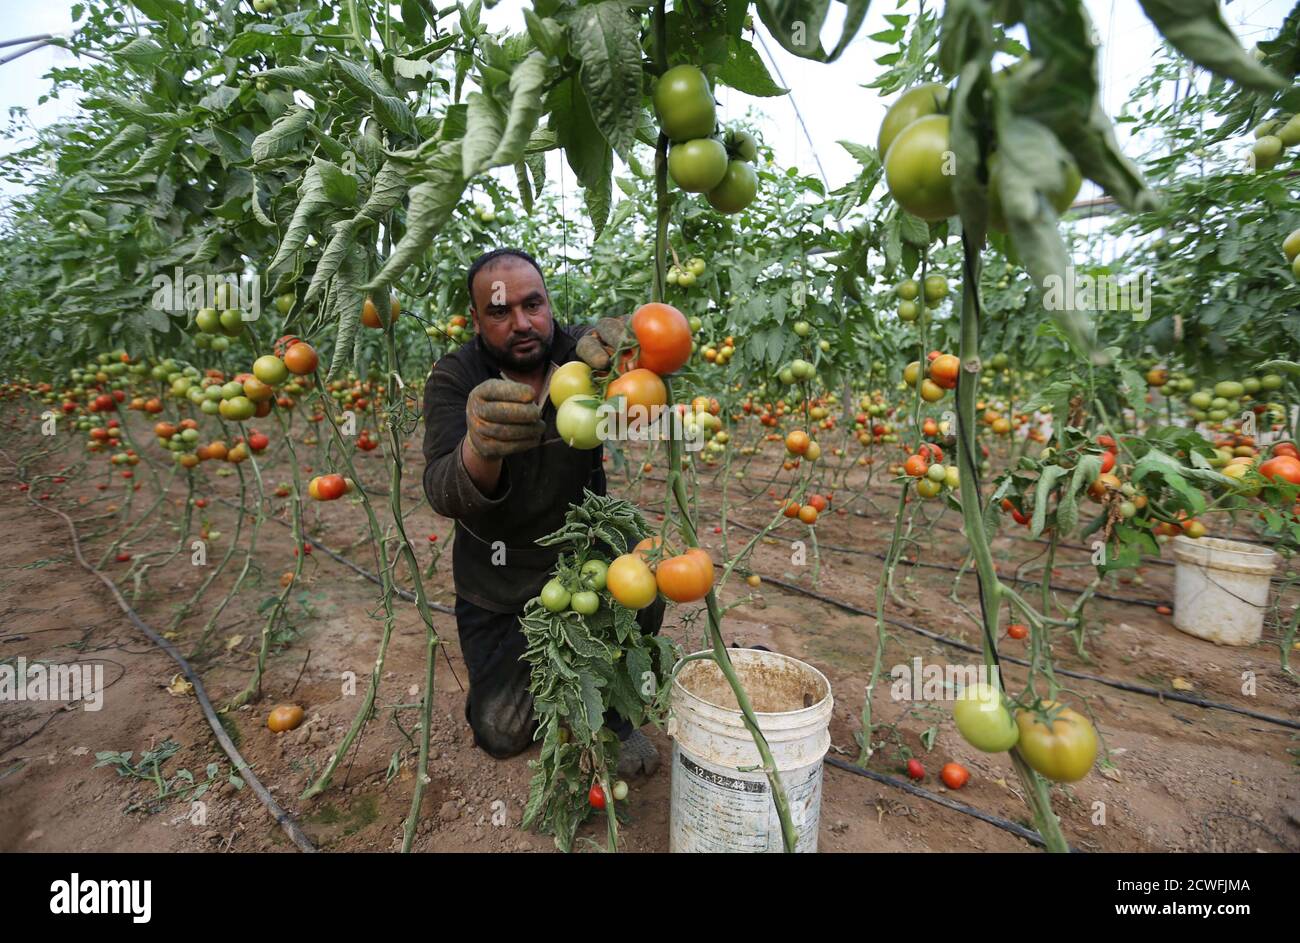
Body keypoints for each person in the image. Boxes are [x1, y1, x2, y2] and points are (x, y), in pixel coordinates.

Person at [421, 247, 664, 777]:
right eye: (500, 312)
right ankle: (562, 677)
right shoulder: (454, 377)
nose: (522, 323)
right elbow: (442, 488)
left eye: (534, 305)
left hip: (584, 565)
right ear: (477, 321)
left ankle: (614, 714)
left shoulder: (581, 357)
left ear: (549, 304)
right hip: (497, 586)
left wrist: (632, 355)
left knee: (644, 581)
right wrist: (478, 447)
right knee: (500, 730)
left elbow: (641, 397)